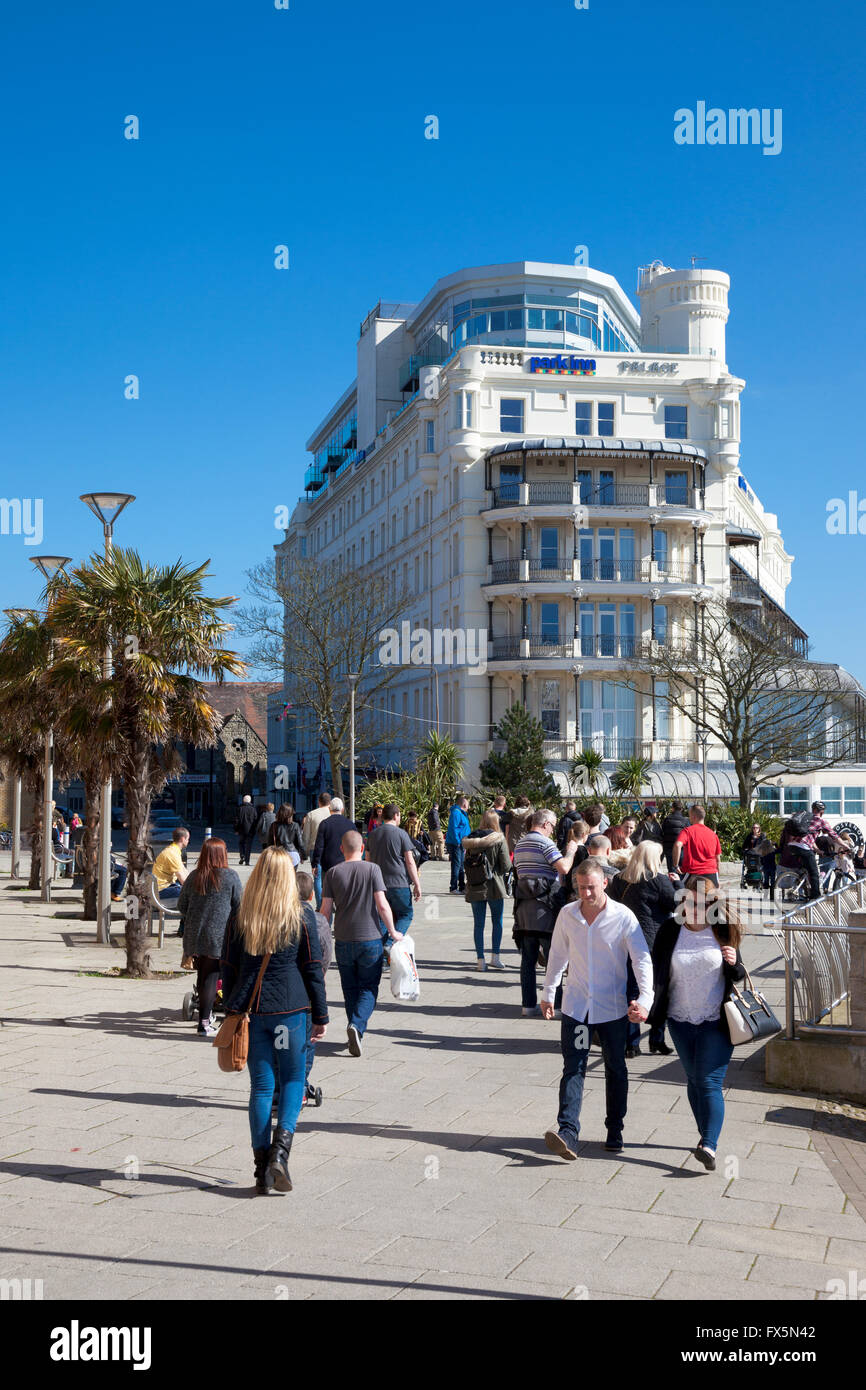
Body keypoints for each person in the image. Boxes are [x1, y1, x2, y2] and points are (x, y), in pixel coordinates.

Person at [221, 847, 328, 1195]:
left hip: (255, 1013)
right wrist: (321, 1015)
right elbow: (313, 970)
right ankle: (280, 1154)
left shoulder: (241, 916)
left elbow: (229, 967)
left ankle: (259, 1167)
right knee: (294, 1079)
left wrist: (232, 1005)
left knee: (262, 1087)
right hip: (292, 1010)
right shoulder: (301, 915)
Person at [541, 859, 653, 1159]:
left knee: (615, 1068)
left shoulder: (623, 917)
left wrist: (645, 1000)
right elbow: (557, 955)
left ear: (604, 883)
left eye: (591, 887)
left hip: (613, 1010)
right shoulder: (568, 914)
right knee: (573, 1067)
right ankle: (568, 1132)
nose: (586, 894)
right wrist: (548, 993)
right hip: (578, 1008)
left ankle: (615, 1129)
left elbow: (641, 959)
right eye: (580, 888)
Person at [648, 879, 746, 1171]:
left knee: (708, 1081)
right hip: (679, 1019)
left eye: (700, 904)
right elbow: (657, 971)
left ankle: (709, 1145)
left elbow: (738, 974)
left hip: (716, 1020)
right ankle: (707, 1134)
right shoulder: (670, 930)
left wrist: (733, 963)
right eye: (687, 902)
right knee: (693, 1079)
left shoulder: (723, 930)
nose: (692, 909)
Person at [319, 829, 403, 1055]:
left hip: (343, 939)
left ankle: (353, 1029)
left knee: (349, 988)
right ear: (363, 848)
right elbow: (382, 905)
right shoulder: (372, 869)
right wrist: (394, 931)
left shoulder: (333, 873)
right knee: (368, 988)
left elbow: (325, 911)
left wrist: (321, 935)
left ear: (341, 849)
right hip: (370, 939)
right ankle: (356, 1025)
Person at [608, 841, 676, 1056]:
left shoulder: (619, 880)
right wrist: (679, 883)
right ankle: (657, 1038)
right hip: (656, 942)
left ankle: (631, 1042)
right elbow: (676, 904)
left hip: (626, 941)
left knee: (632, 989)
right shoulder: (658, 880)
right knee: (659, 988)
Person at [512, 809, 578, 1016]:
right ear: (546, 824)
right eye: (553, 825)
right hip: (545, 909)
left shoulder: (520, 843)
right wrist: (571, 850)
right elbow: (564, 868)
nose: (553, 830)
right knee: (554, 960)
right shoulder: (545, 844)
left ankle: (528, 1006)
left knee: (528, 962)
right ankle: (556, 1006)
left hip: (524, 909)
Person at [179, 837, 242, 1036]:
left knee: (203, 975)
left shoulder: (194, 876)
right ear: (222, 855)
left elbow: (182, 905)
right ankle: (204, 1023)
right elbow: (239, 906)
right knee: (212, 977)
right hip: (219, 936)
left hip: (195, 936)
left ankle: (205, 1016)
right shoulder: (231, 877)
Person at [296, 870, 332, 1105]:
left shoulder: (278, 916)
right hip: (308, 990)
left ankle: (281, 1087)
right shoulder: (318, 920)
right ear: (311, 896)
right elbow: (325, 956)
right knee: (307, 1041)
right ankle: (299, 1087)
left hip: (282, 990)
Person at [365, 804, 423, 948]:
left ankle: (382, 954)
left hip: (379, 885)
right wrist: (417, 883)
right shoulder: (401, 834)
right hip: (399, 883)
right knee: (405, 914)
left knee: (383, 917)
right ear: (396, 815)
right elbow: (410, 862)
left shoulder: (373, 834)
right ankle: (390, 943)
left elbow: (368, 860)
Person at [462, 809, 511, 971]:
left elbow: (466, 862)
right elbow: (505, 865)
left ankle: (480, 961)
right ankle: (495, 957)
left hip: (475, 884)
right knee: (497, 921)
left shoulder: (470, 839)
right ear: (496, 822)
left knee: (478, 924)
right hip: (494, 885)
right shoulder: (498, 839)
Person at [671, 805, 721, 886]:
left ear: (693, 817)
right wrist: (717, 878)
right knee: (707, 898)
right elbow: (718, 859)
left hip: (693, 874)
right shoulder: (713, 835)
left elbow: (677, 845)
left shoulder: (687, 831)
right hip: (711, 874)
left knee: (682, 895)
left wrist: (676, 865)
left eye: (689, 815)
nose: (689, 818)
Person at [311, 797, 357, 881]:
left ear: (329, 809)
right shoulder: (350, 824)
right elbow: (355, 845)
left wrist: (315, 864)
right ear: (342, 810)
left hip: (329, 865)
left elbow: (319, 846)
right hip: (346, 864)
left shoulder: (324, 824)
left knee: (328, 891)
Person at [302, 792, 332, 905]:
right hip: (331, 848)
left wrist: (303, 852)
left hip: (315, 848)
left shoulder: (311, 814)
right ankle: (331, 902)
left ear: (319, 802)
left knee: (317, 877)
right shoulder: (333, 814)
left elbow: (306, 835)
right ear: (330, 802)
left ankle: (320, 904)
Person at [153, 826, 190, 904]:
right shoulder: (172, 853)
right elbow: (182, 878)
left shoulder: (174, 850)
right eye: (187, 839)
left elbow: (184, 871)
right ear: (183, 839)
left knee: (189, 889)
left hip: (163, 887)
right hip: (160, 891)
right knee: (190, 892)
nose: (188, 841)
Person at [740, 822, 777, 894]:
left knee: (760, 867)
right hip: (751, 856)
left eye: (756, 828)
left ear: (759, 828)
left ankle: (759, 883)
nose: (755, 829)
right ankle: (751, 881)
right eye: (753, 828)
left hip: (759, 856)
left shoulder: (762, 836)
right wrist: (745, 850)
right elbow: (744, 846)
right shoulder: (749, 836)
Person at [445, 795, 471, 893]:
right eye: (468, 804)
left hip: (461, 843)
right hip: (456, 843)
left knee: (460, 865)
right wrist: (457, 842)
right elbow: (453, 829)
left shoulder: (461, 813)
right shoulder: (456, 813)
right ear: (464, 804)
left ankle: (462, 887)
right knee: (456, 865)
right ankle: (453, 887)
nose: (468, 807)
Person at [661, 799, 689, 871]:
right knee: (682, 870)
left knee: (672, 871)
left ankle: (673, 882)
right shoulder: (685, 820)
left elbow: (662, 832)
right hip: (681, 849)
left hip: (669, 848)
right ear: (681, 809)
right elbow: (689, 834)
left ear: (672, 808)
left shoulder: (667, 819)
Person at [234, 795, 258, 867]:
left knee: (241, 843)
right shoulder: (253, 809)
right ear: (250, 801)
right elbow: (255, 820)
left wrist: (236, 829)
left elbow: (236, 820)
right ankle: (247, 861)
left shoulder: (240, 808)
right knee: (248, 846)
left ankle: (242, 855)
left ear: (243, 800)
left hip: (241, 830)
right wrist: (255, 829)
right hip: (250, 830)